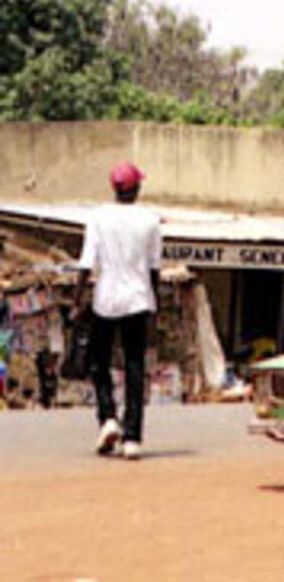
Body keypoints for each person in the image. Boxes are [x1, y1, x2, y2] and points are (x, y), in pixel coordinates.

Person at [73, 162, 162, 460]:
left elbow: (86, 264)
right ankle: (133, 438)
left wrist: (76, 301)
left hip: (106, 300)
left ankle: (108, 417)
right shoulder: (150, 220)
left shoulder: (97, 217)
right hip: (138, 300)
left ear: (114, 189)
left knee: (99, 363)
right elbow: (154, 268)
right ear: (135, 188)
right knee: (135, 366)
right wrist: (154, 303)